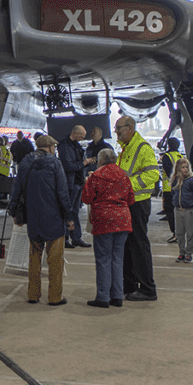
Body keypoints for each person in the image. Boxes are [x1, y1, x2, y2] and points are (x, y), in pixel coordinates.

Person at [17, 135, 71, 306]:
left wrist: (13, 211)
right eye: (54, 147)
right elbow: (62, 192)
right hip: (53, 217)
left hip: (33, 217)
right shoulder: (55, 163)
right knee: (55, 260)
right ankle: (55, 297)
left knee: (34, 259)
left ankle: (33, 294)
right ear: (49, 147)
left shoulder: (25, 162)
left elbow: (17, 188)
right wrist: (69, 216)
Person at [114, 115, 159, 301]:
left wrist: (127, 185)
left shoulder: (142, 148)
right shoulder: (126, 149)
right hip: (128, 203)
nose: (116, 132)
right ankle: (130, 284)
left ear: (130, 128)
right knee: (128, 246)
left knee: (139, 246)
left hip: (138, 203)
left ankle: (148, 288)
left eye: (119, 128)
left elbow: (153, 175)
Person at [81, 146, 132, 308]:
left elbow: (86, 198)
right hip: (123, 219)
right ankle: (117, 295)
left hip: (104, 220)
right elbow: (131, 198)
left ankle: (103, 297)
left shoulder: (96, 176)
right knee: (118, 258)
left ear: (101, 161)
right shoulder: (124, 175)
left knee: (103, 258)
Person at [60, 125, 87, 248]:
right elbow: (68, 166)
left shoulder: (76, 146)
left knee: (75, 211)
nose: (82, 139)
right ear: (75, 134)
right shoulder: (65, 146)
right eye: (81, 136)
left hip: (77, 183)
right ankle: (65, 238)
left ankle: (76, 237)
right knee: (68, 211)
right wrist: (83, 163)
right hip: (70, 184)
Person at [170, 157, 193, 262]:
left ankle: (189, 253)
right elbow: (173, 193)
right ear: (178, 169)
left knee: (190, 232)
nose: (185, 169)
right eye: (183, 167)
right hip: (178, 209)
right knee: (179, 232)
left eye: (187, 167)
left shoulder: (192, 180)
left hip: (189, 209)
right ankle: (181, 252)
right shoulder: (175, 181)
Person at [158, 136, 184, 232]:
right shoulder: (181, 156)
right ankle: (180, 231)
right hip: (180, 187)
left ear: (168, 145)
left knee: (169, 211)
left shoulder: (167, 156)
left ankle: (175, 232)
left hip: (168, 188)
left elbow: (168, 171)